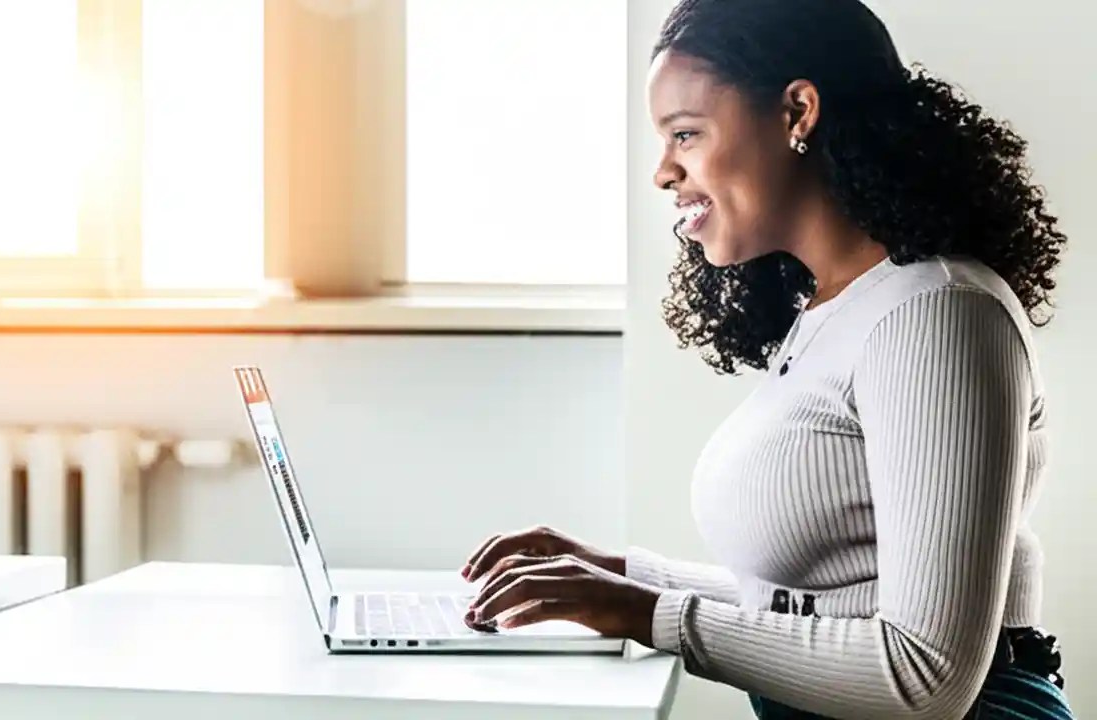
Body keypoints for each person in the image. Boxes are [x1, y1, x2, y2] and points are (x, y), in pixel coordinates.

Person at [459, 0, 1073, 718]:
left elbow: (926, 676)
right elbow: (821, 607)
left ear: (797, 112)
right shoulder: (839, 309)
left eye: (685, 134)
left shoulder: (937, 311)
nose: (664, 172)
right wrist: (615, 576)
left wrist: (646, 613)